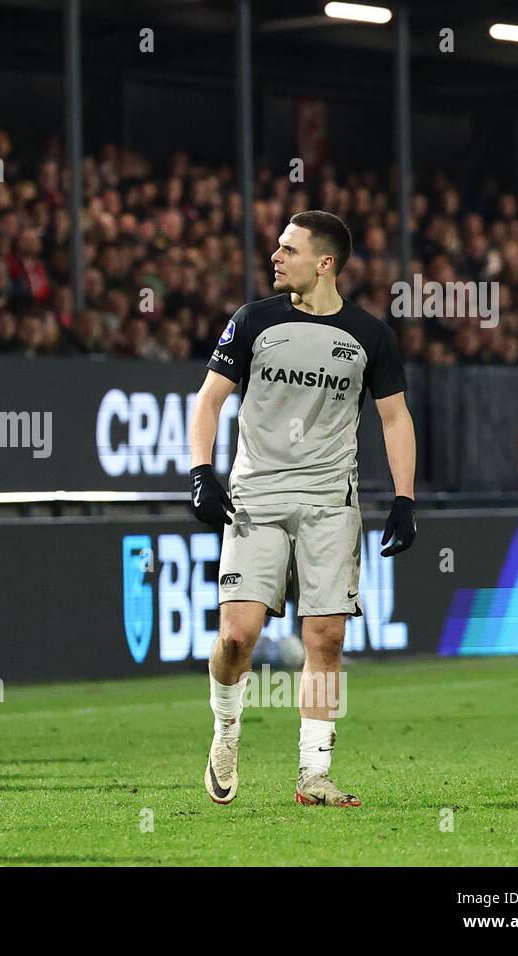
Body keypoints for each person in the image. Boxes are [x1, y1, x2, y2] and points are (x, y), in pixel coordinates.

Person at [188, 210, 417, 809]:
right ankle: (226, 729)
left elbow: (395, 418)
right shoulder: (254, 321)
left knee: (326, 638)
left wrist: (405, 498)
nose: (275, 257)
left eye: (288, 249)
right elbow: (210, 399)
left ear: (325, 263)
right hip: (257, 496)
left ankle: (314, 774)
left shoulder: (370, 335)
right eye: (277, 247)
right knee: (238, 637)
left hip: (328, 504)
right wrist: (200, 472)